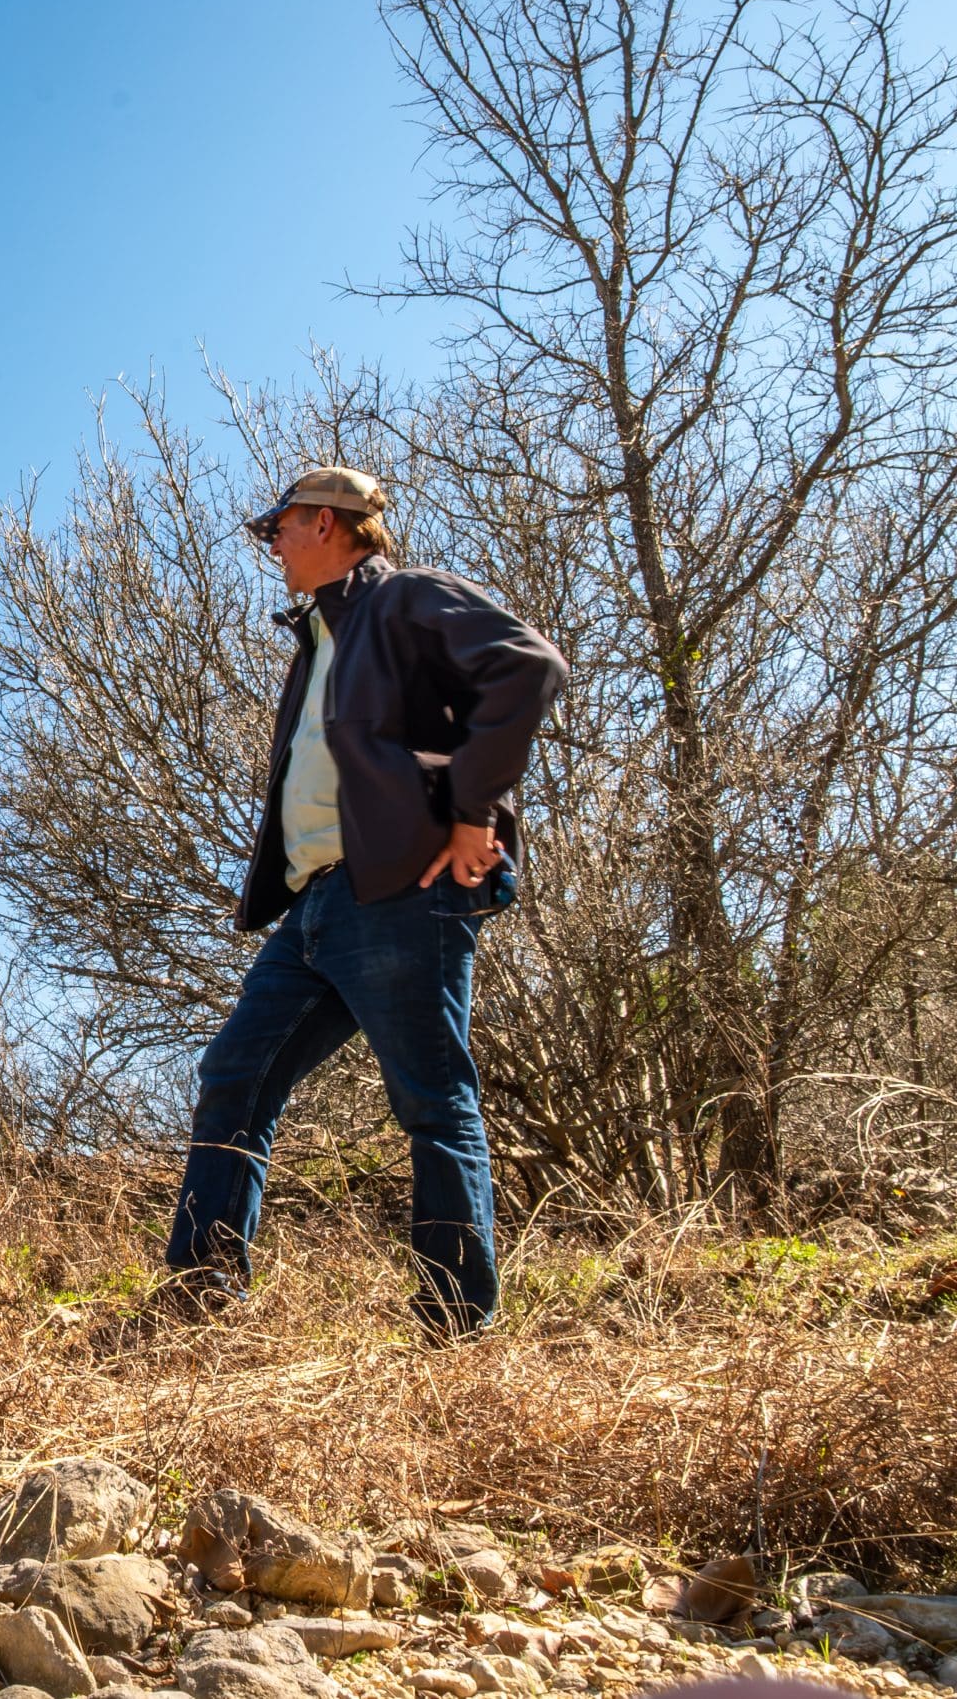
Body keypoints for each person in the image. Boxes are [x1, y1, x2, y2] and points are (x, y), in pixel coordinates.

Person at [163, 467, 567, 1338]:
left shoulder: (406, 599)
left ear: (324, 521)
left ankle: (456, 1324)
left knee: (431, 1096)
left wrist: (472, 815)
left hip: (400, 895)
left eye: (276, 527)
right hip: (315, 907)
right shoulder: (318, 637)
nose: (269, 545)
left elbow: (530, 668)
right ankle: (199, 1301)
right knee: (233, 1075)